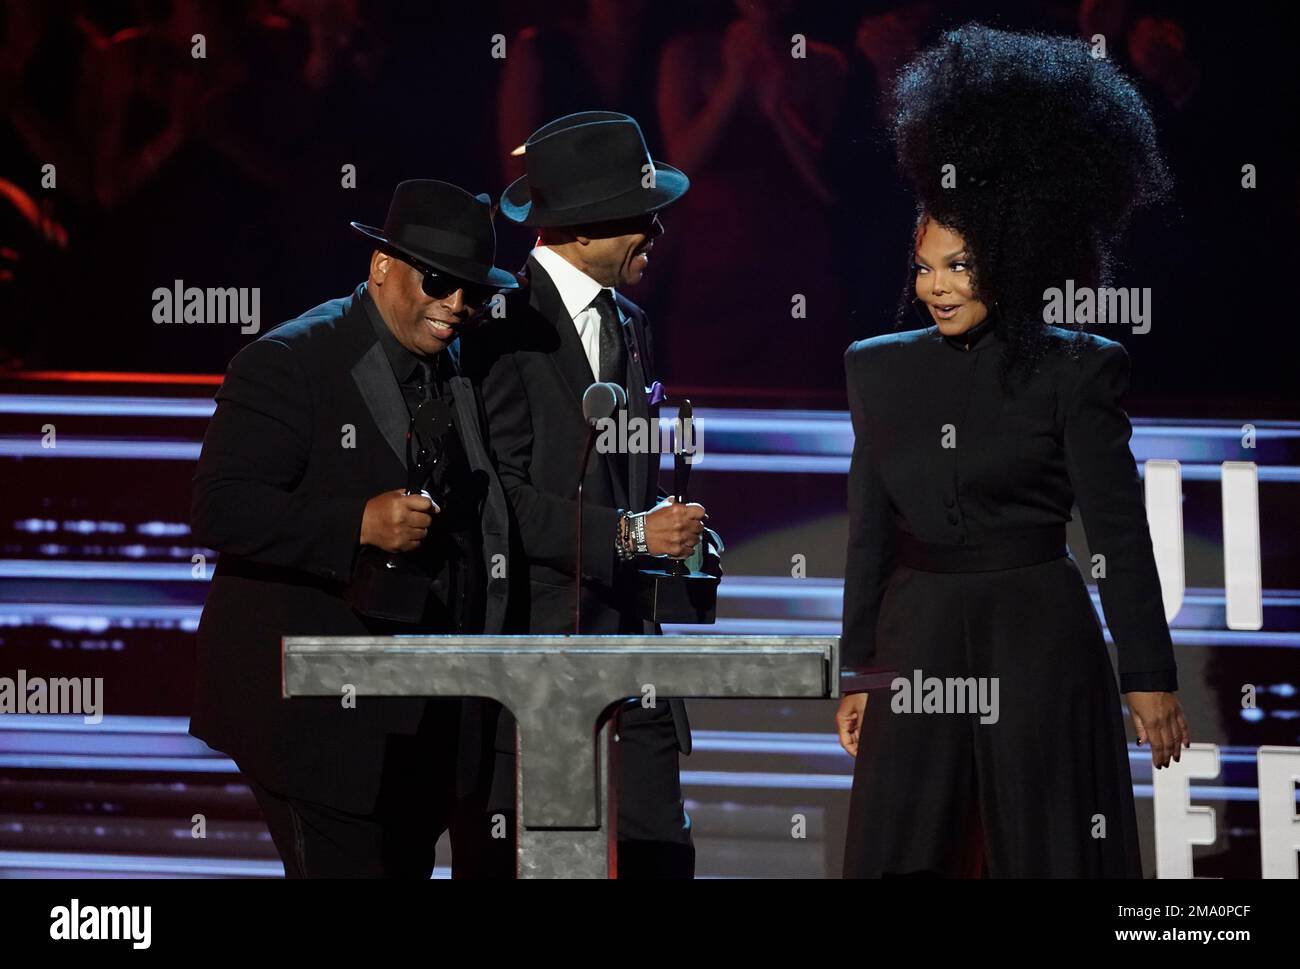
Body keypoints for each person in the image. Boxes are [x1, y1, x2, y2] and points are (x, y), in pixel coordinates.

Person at [835, 25, 1191, 878]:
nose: (937, 287)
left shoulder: (1077, 368)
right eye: (925, 268)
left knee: (1049, 848)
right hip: (915, 635)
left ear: (1014, 257)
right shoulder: (876, 369)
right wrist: (858, 669)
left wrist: (1147, 672)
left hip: (1038, 635)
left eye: (959, 266)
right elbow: (869, 532)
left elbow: (1117, 530)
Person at [189, 179, 518, 878]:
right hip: (315, 725)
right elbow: (219, 506)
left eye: (472, 290)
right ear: (381, 266)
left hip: (420, 721)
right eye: (438, 281)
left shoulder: (458, 368)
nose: (457, 304)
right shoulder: (291, 361)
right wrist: (356, 523)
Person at [465, 111, 718, 878]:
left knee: (659, 858)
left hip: (632, 656)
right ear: (583, 226)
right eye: (643, 218)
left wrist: (679, 541)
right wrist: (630, 534)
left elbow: (624, 486)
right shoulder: (501, 324)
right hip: (534, 659)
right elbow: (497, 498)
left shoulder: (632, 324)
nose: (658, 234)